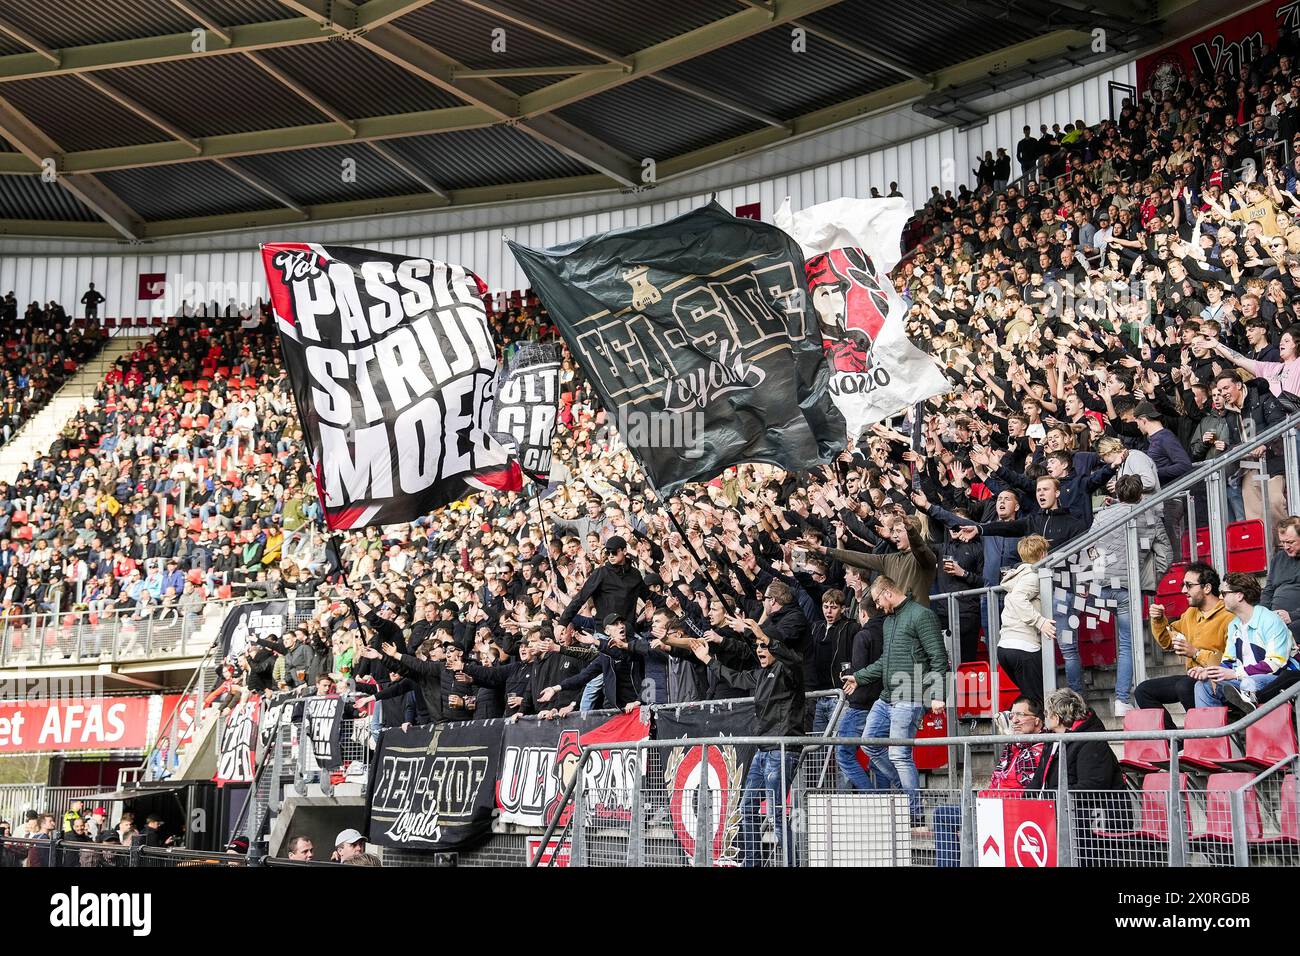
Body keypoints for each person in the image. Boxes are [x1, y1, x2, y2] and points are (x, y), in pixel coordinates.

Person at [689, 622, 802, 868]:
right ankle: (752, 863)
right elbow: (735, 677)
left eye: (765, 646)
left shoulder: (788, 669)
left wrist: (763, 635)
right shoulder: (760, 673)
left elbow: (791, 657)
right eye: (758, 646)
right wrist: (708, 659)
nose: (760, 650)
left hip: (782, 750)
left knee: (776, 814)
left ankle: (794, 863)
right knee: (747, 809)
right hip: (763, 752)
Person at [841, 575, 948, 831]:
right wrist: (859, 677)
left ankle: (914, 813)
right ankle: (904, 788)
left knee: (899, 754)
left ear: (888, 593)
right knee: (868, 746)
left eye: (878, 600)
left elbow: (939, 658)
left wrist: (937, 695)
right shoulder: (889, 622)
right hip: (887, 697)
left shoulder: (922, 616)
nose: (877, 606)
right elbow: (883, 662)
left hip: (910, 696)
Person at [1086, 474, 1173, 715]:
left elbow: (1088, 548)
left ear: (1117, 494)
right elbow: (1166, 552)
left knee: (1119, 642)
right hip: (1127, 588)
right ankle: (1122, 699)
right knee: (1127, 645)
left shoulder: (1102, 516)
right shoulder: (1150, 515)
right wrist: (1151, 575)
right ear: (1139, 494)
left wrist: (1100, 569)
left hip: (1100, 587)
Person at [1029, 688, 1131, 863]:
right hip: (1060, 816)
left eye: (1047, 712)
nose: (1045, 717)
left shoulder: (1091, 740)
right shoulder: (1053, 741)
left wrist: (1049, 798)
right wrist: (1026, 801)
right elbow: (1038, 780)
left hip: (1093, 825)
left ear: (1058, 716)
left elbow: (1093, 786)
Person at [1136, 562, 1232, 727]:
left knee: (1185, 686)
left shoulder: (1229, 617)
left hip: (1217, 679)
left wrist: (1195, 653)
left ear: (1207, 588)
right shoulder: (1190, 613)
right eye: (1183, 585)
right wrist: (1158, 619)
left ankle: (1202, 735)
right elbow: (1167, 642)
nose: (1183, 590)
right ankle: (1176, 742)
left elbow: (1231, 660)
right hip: (1192, 678)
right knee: (1143, 691)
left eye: (1189, 585)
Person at [1193, 571, 1300, 712]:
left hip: (1280, 680)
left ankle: (1249, 701)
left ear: (1239, 595)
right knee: (1203, 685)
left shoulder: (1270, 620)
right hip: (1245, 679)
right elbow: (1228, 662)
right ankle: (1211, 732)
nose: (1220, 597)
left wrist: (1235, 674)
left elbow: (1275, 665)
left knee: (1251, 682)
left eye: (1224, 593)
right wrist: (1210, 672)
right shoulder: (1234, 625)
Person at [995, 534, 1055, 706]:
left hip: (1006, 647)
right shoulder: (1033, 577)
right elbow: (1018, 599)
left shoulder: (1018, 576)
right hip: (1025, 647)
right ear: (1043, 554)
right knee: (1039, 702)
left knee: (1030, 699)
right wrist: (1040, 621)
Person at [986, 695, 1046, 793]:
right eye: (1012, 715)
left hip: (1021, 805)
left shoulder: (1044, 748)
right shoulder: (1014, 746)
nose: (1014, 720)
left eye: (1020, 714)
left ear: (1037, 721)